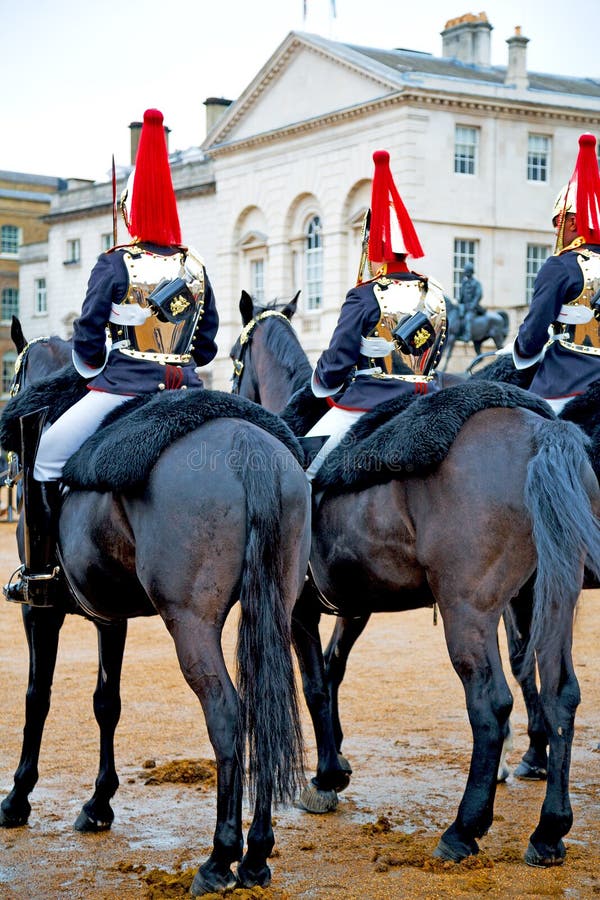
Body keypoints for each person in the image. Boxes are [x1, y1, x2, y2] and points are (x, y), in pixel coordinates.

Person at [4, 108, 219, 606]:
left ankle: (40, 575)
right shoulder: (195, 267)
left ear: (131, 213)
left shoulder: (116, 261)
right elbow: (206, 344)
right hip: (186, 389)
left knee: (47, 455)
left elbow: (86, 334)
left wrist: (99, 364)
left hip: (121, 386)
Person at [304, 149, 447, 480]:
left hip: (372, 401)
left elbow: (337, 360)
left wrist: (323, 379)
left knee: (303, 468)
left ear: (372, 247)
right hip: (429, 401)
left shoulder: (365, 295)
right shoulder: (435, 293)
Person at [511, 132, 600, 413]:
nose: (557, 232)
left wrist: (523, 349)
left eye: (558, 223)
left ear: (572, 222)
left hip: (568, 382)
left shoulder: (562, 265)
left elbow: (533, 336)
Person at [458, 262, 483, 342]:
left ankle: (467, 336)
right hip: (463, 306)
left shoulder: (476, 283)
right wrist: (460, 303)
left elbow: (478, 295)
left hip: (473, 307)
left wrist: (473, 305)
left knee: (468, 318)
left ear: (471, 272)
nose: (466, 273)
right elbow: (461, 295)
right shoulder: (464, 283)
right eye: (465, 272)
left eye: (467, 272)